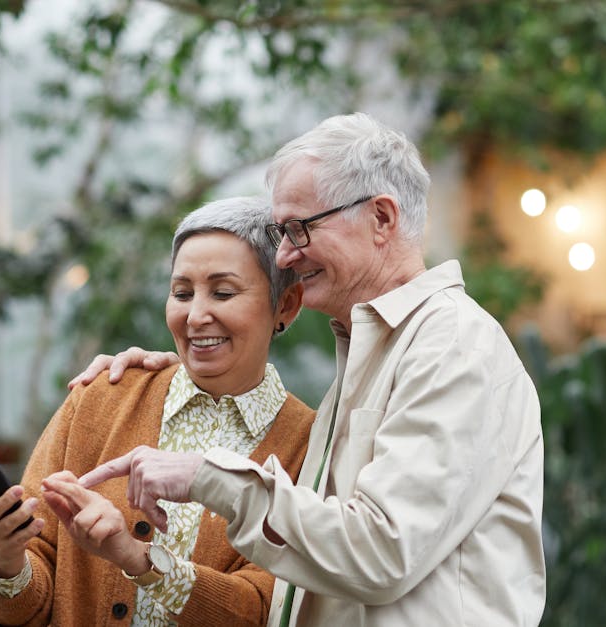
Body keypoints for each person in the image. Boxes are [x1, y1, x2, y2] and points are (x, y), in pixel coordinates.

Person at [71, 113, 546, 626]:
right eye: (280, 232)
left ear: (382, 219)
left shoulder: (451, 344)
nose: (283, 256)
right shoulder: (380, 347)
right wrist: (185, 372)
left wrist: (208, 477)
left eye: (298, 229)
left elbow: (381, 552)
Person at [0, 197, 315, 626]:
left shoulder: (310, 444)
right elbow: (20, 607)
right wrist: (6, 556)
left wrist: (137, 558)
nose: (196, 315)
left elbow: (263, 610)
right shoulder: (101, 398)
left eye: (223, 292)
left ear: (286, 305)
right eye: (181, 293)